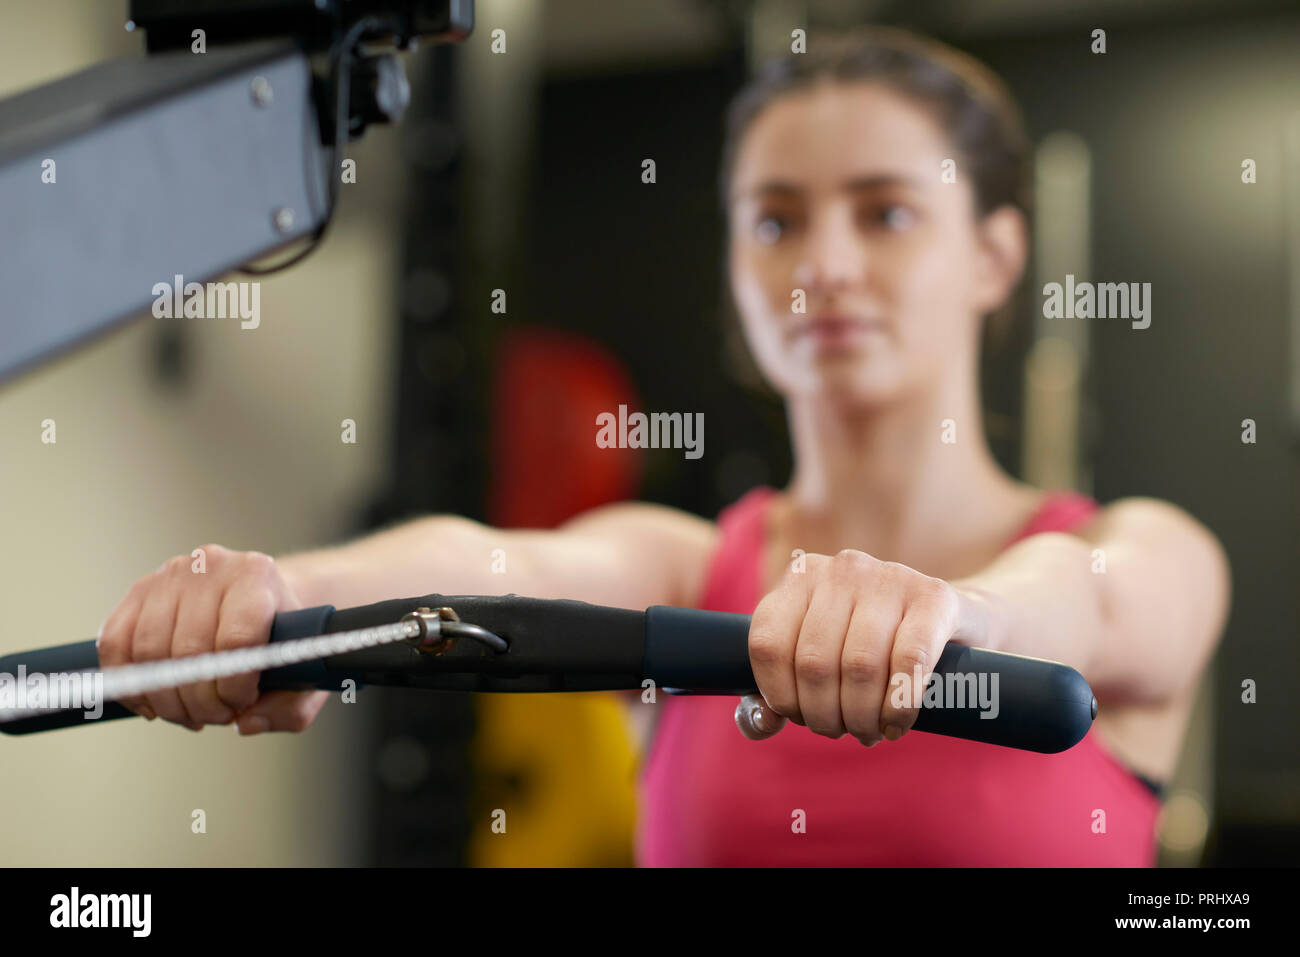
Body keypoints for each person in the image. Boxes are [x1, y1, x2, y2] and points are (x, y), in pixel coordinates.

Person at [96, 27, 1230, 866]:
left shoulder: (1143, 551)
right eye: (775, 220)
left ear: (991, 256)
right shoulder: (693, 575)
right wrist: (285, 594)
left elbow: (1091, 596)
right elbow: (501, 568)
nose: (822, 265)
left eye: (884, 212)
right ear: (734, 270)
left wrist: (961, 619)